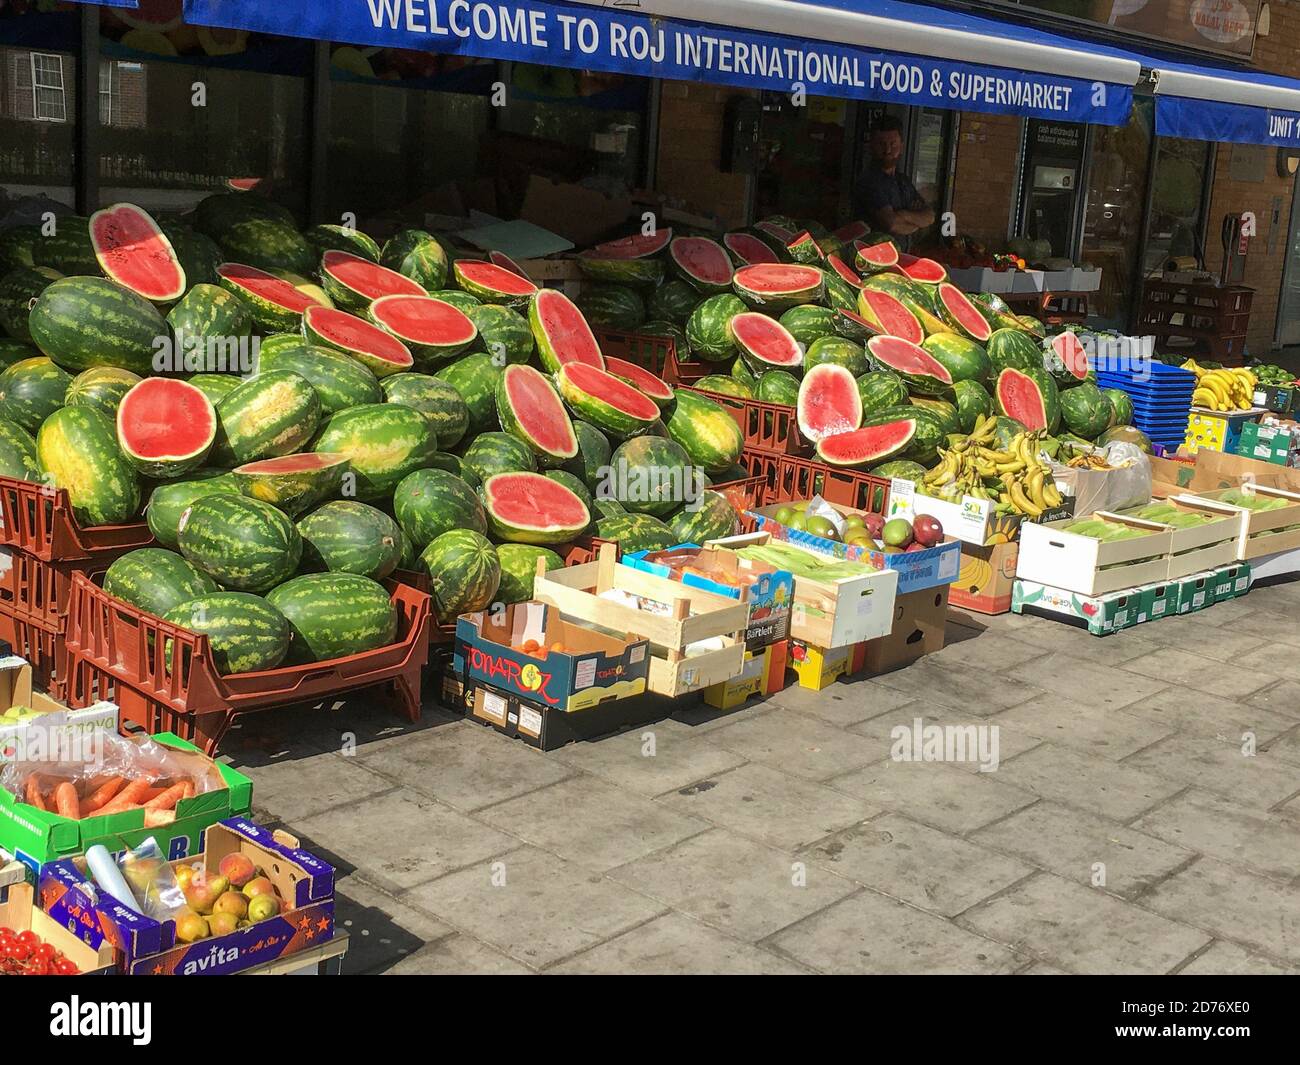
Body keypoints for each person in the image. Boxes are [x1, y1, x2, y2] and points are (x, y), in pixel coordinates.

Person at [856, 116, 934, 246]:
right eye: (882, 144)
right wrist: (917, 222)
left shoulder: (903, 180)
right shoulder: (869, 181)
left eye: (893, 144)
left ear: (902, 146)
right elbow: (892, 224)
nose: (887, 150)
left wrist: (903, 215)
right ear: (872, 146)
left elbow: (930, 216)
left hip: (901, 257)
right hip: (872, 256)